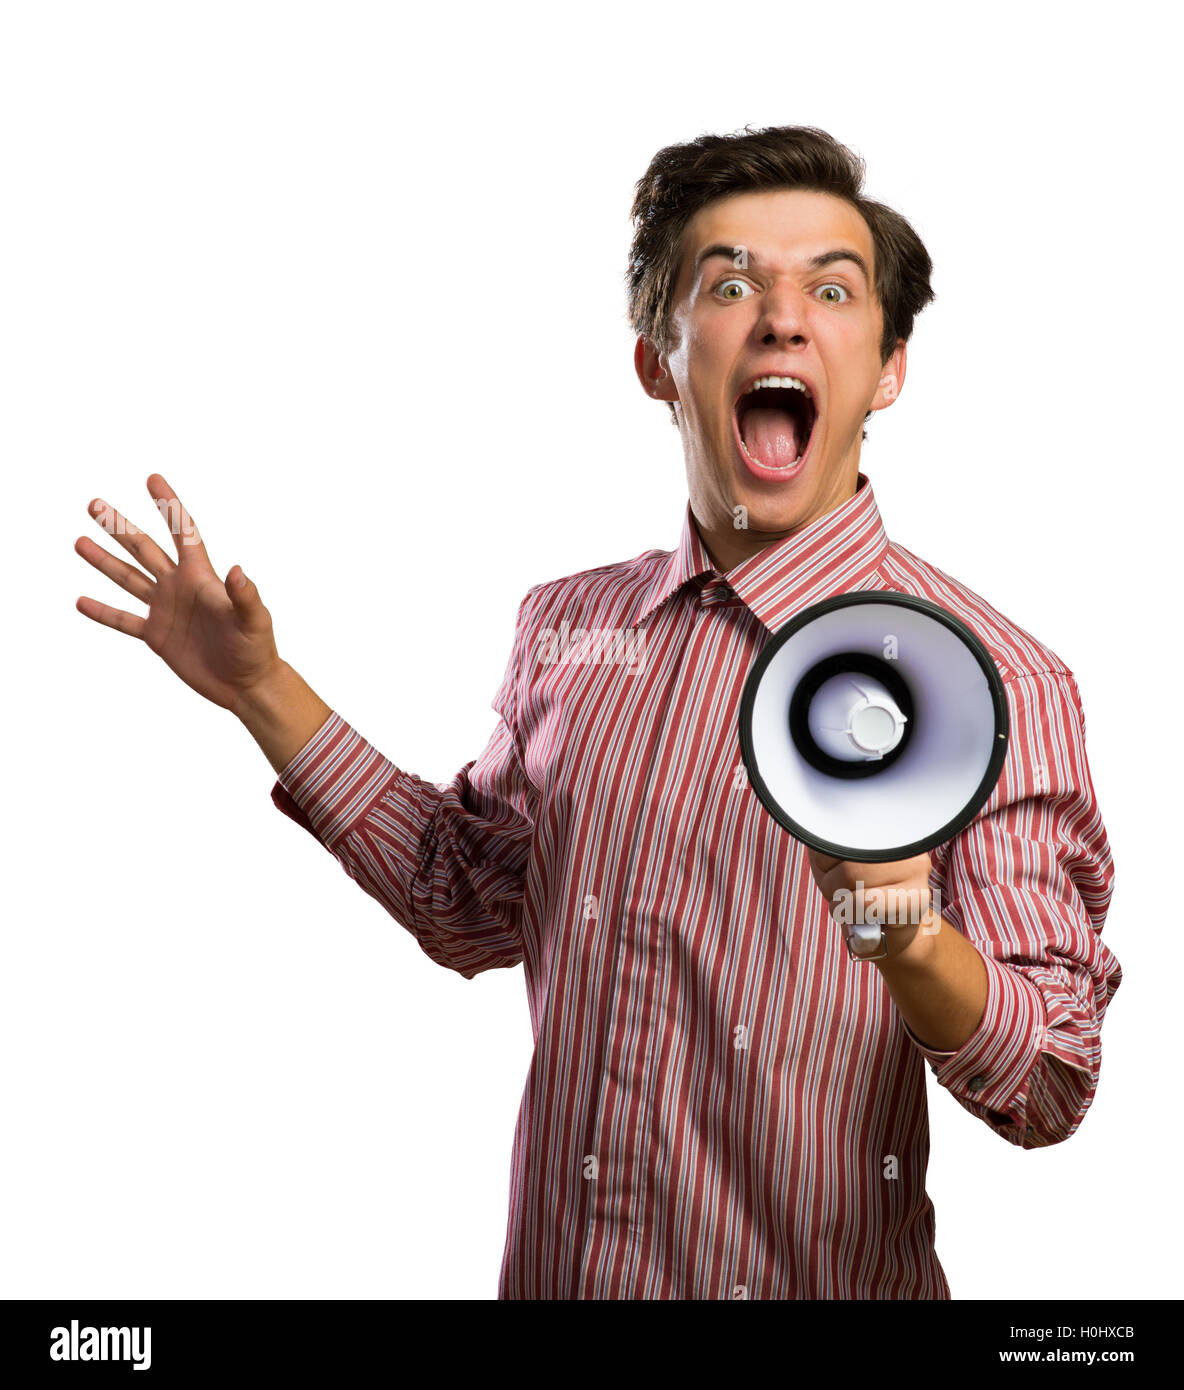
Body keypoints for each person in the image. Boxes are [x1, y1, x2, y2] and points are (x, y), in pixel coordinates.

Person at [74, 124, 1120, 1300]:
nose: (781, 317)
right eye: (729, 284)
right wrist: (264, 691)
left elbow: (1047, 1083)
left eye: (831, 287)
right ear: (658, 359)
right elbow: (467, 904)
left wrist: (913, 941)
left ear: (885, 366)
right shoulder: (570, 629)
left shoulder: (1001, 682)